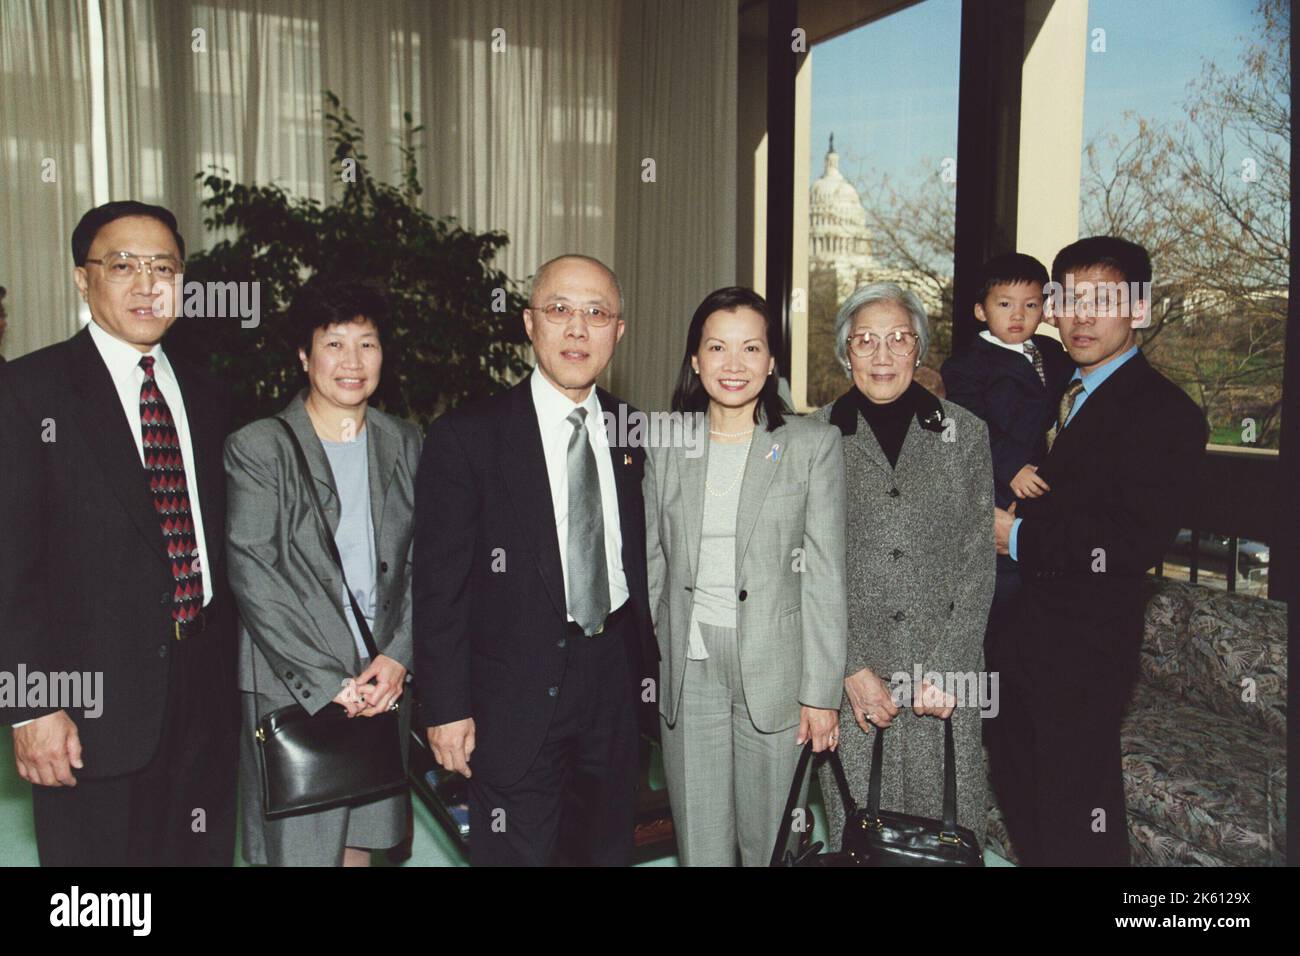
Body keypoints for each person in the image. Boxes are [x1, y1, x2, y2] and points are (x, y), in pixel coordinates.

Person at [0, 201, 237, 865]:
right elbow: (7, 566)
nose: (146, 284)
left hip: (205, 697)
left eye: (163, 267)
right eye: (122, 265)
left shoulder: (213, 394)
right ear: (83, 279)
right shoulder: (26, 393)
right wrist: (30, 707)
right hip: (87, 708)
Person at [413, 254, 657, 866]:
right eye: (560, 310)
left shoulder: (635, 432)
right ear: (529, 323)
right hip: (510, 701)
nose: (578, 329)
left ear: (619, 331)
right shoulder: (468, 436)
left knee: (602, 854)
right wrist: (445, 709)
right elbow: (438, 586)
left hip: (613, 692)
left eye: (596, 313)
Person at [992, 236, 1207, 866]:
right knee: (1024, 801)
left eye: (1100, 301)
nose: (1079, 316)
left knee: (1076, 817)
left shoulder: (1165, 413)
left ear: (1138, 309)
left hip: (1083, 654)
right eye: (1067, 299)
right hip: (1016, 638)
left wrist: (1016, 536)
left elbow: (1127, 542)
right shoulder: (1057, 384)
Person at [644, 286, 847, 866]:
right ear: (695, 359)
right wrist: (663, 654)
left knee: (772, 844)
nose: (733, 365)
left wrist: (820, 691)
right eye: (717, 348)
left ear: (771, 360)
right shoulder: (665, 443)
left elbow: (826, 575)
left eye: (750, 348)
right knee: (701, 846)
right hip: (690, 666)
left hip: (776, 670)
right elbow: (654, 562)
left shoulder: (812, 443)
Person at [224, 277, 422, 867]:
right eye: (334, 344)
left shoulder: (408, 443)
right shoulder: (260, 447)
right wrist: (326, 679)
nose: (353, 362)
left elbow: (426, 563)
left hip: (382, 678)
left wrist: (398, 657)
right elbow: (255, 572)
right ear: (305, 356)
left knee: (361, 848)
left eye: (368, 343)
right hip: (295, 686)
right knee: (301, 854)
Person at [813, 282, 995, 853]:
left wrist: (947, 665)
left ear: (920, 350)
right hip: (854, 684)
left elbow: (977, 562)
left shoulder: (966, 434)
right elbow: (803, 569)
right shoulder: (813, 436)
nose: (883, 355)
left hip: (945, 679)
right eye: (866, 341)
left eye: (899, 339)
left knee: (949, 840)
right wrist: (847, 666)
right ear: (846, 353)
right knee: (864, 845)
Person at [939, 253, 1073, 786]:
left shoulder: (1053, 354)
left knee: (1033, 626)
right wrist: (1009, 467)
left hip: (1041, 503)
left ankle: (1021, 720)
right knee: (993, 615)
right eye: (1003, 304)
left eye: (1031, 304)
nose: (1018, 315)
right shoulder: (967, 366)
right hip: (991, 493)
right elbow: (965, 428)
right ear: (979, 310)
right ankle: (982, 730)